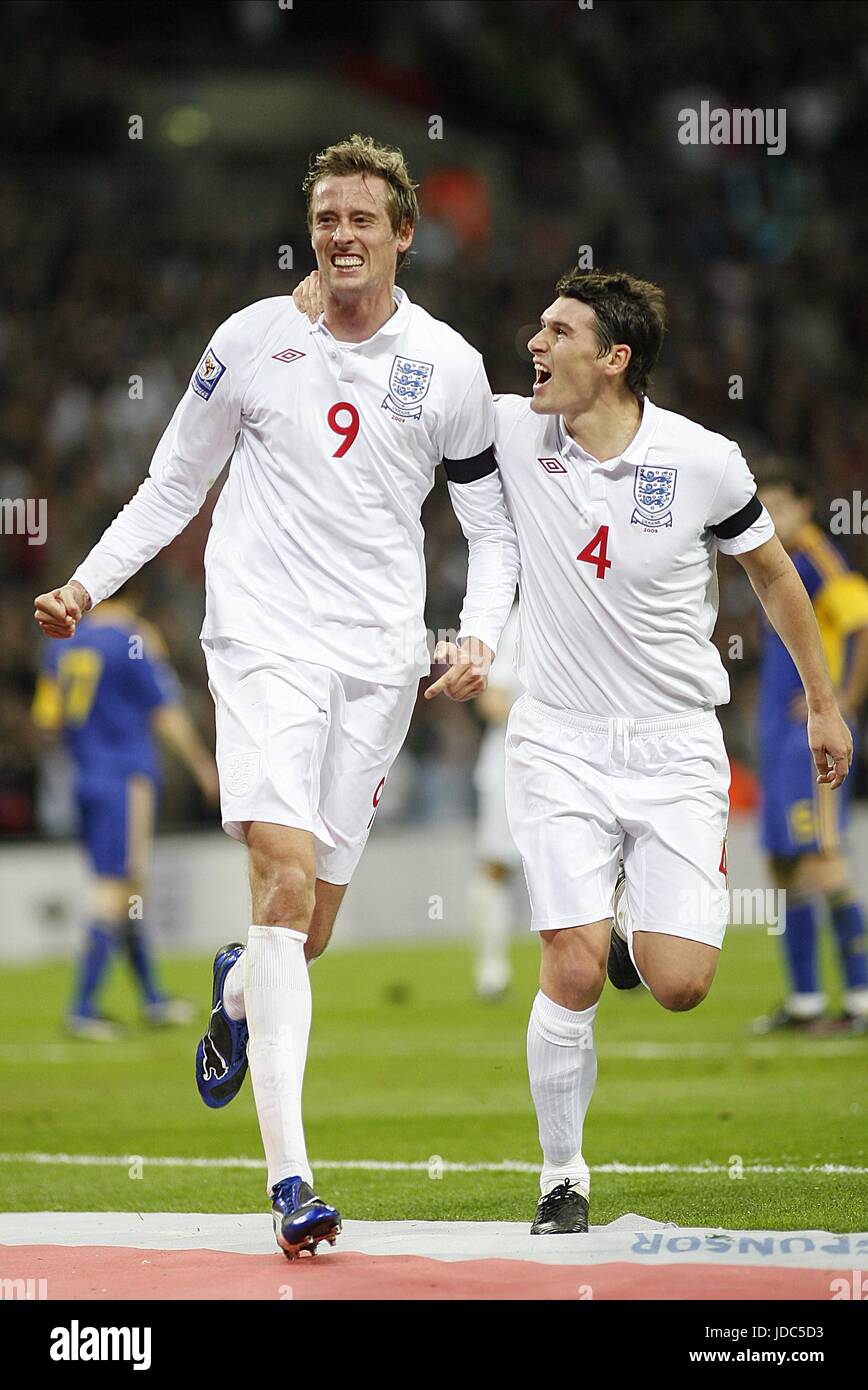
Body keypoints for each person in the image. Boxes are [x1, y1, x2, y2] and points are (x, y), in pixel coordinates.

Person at [33, 135, 518, 1258]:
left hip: (380, 660)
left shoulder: (446, 366)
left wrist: (479, 635)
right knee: (285, 878)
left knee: (307, 930)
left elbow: (491, 531)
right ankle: (293, 1181)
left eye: (364, 218)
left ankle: (239, 992)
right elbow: (173, 483)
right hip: (259, 644)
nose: (342, 234)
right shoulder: (248, 342)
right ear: (312, 228)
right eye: (327, 217)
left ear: (404, 232)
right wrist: (87, 581)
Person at [489, 270, 852, 1235]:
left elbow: (775, 576)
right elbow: (409, 372)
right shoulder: (513, 430)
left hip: (675, 746)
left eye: (556, 330)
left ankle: (623, 940)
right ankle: (561, 1176)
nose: (535, 343)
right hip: (559, 738)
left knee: (681, 983)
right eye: (538, 324)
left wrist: (822, 703)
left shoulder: (703, 460)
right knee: (567, 969)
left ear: (613, 359)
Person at [31, 588, 218, 1038]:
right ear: (134, 595)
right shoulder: (134, 638)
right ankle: (82, 1008)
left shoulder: (62, 640)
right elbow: (165, 711)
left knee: (131, 888)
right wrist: (201, 765)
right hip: (125, 777)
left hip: (84, 776)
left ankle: (153, 999)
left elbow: (47, 718)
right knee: (117, 889)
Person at [752, 465, 868, 1034]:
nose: (771, 517)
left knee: (823, 858)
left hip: (808, 742)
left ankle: (863, 998)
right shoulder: (774, 562)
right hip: (776, 740)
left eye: (780, 505)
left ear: (804, 508)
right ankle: (804, 1002)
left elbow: (866, 625)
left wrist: (844, 700)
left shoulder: (820, 558)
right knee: (782, 862)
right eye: (763, 506)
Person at [469, 600, 522, 1000]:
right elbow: (492, 699)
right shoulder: (518, 621)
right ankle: (491, 969)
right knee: (497, 865)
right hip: (510, 765)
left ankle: (619, 957)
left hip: (570, 763)